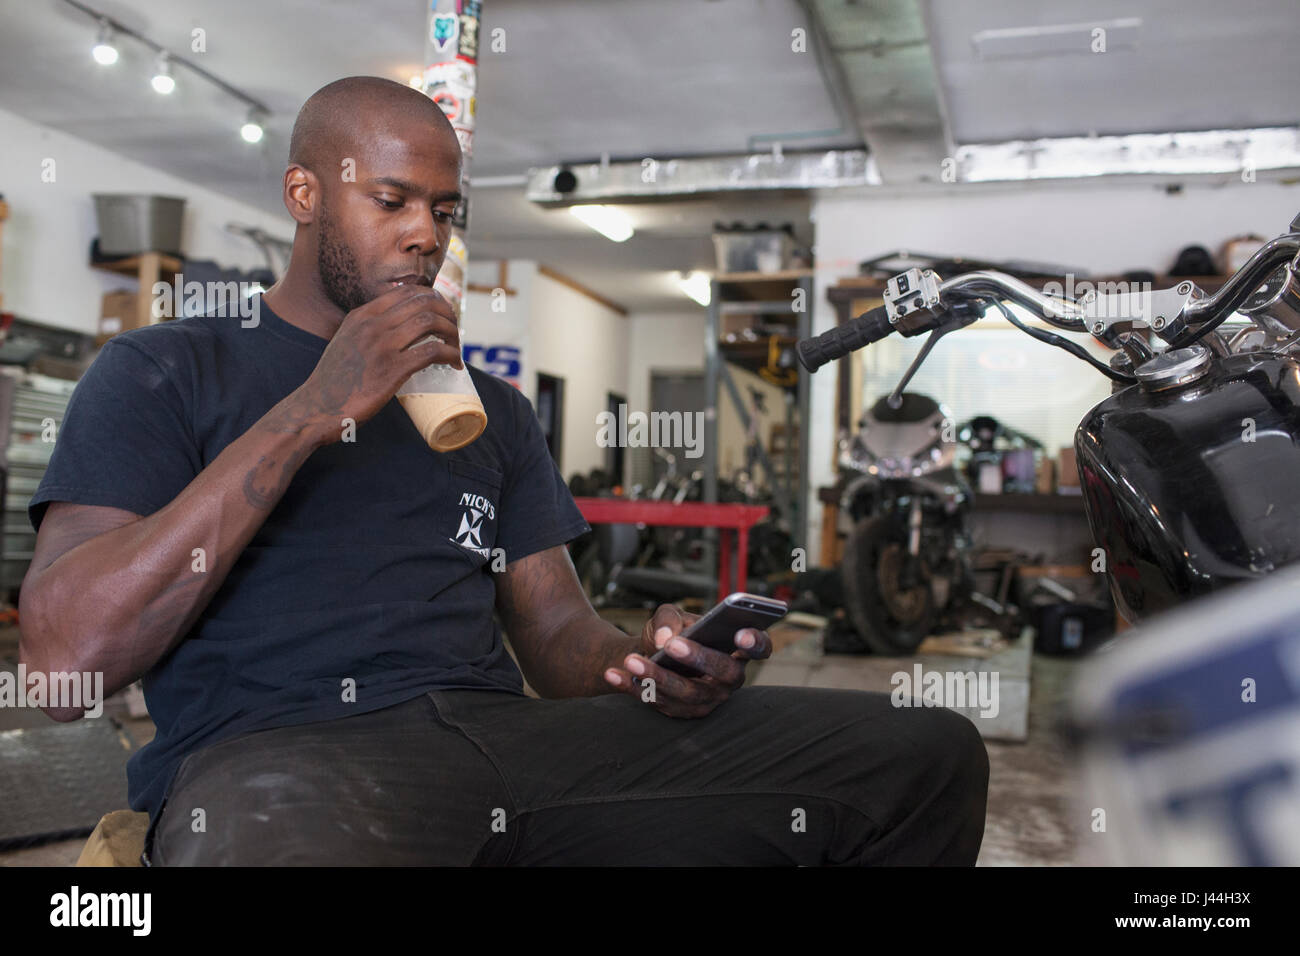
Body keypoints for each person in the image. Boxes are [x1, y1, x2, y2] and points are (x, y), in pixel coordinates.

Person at [19, 77, 988, 865]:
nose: (423, 234)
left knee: (921, 755)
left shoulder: (490, 408)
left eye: (443, 210)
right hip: (280, 756)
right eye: (389, 200)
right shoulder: (164, 370)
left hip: (511, 744)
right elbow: (65, 666)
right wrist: (315, 407)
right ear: (304, 193)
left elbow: (558, 631)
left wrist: (648, 666)